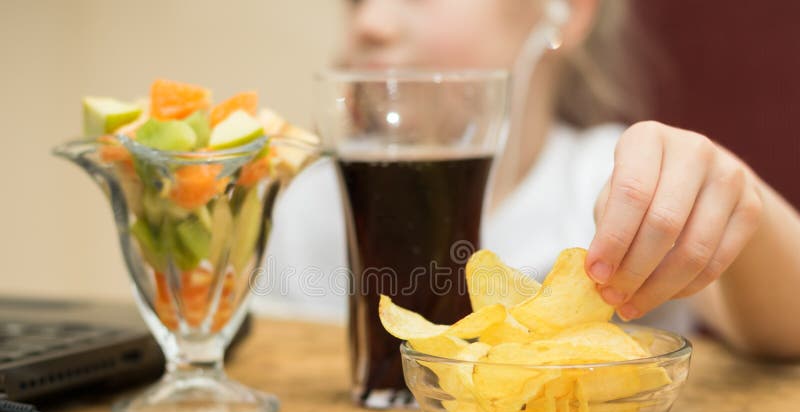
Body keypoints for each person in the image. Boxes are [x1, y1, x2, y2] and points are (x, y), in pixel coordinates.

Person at [255, 0, 800, 359]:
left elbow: (786, 329)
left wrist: (732, 199)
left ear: (565, 12)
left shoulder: (615, 185)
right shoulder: (307, 204)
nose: (369, 22)